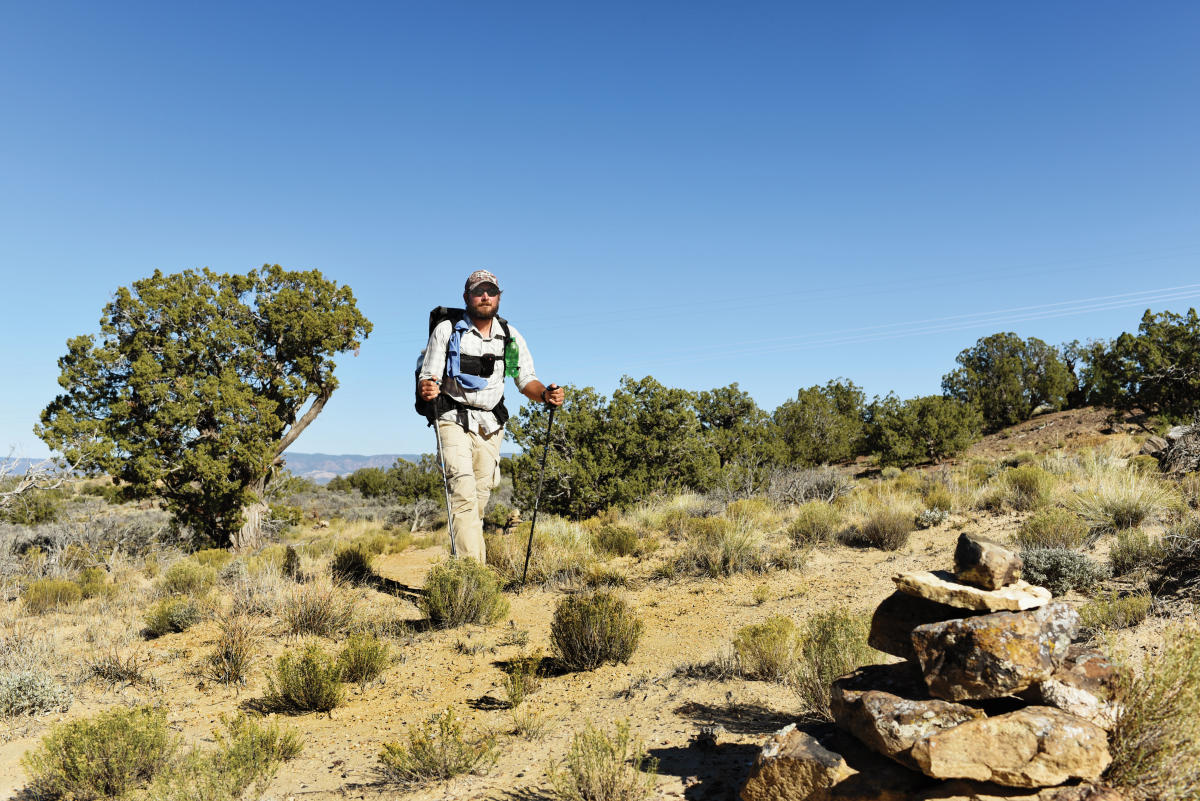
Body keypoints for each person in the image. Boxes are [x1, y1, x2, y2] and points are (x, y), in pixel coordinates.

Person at [417, 270, 564, 561]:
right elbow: (429, 376)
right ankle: (472, 575)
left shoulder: (510, 336)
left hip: (491, 425)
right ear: (466, 297)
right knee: (462, 494)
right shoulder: (446, 330)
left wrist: (546, 395)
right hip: (452, 418)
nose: (485, 297)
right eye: (478, 291)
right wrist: (428, 387)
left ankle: (465, 563)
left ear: (499, 297)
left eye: (491, 291)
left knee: (479, 499)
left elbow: (526, 380)